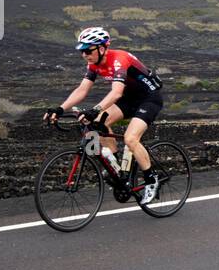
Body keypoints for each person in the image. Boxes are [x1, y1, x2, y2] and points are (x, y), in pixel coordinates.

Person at [43, 27, 165, 204]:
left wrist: (95, 109)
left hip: (149, 99)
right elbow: (82, 89)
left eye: (87, 50)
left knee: (131, 139)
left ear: (101, 48)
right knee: (96, 124)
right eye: (82, 51)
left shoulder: (119, 60)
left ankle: (151, 179)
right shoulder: (93, 64)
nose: (84, 55)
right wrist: (60, 109)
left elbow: (116, 93)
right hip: (128, 99)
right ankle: (117, 169)